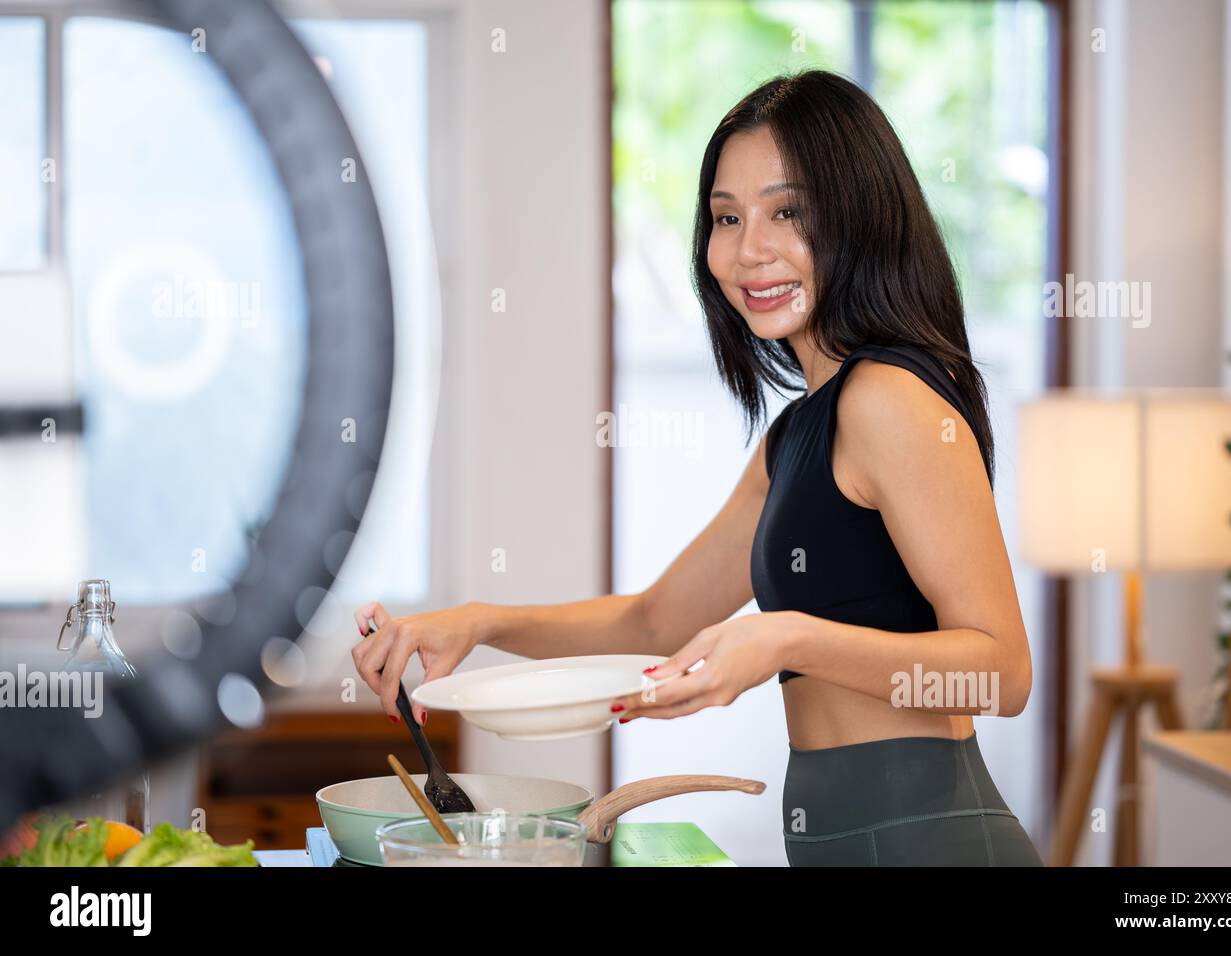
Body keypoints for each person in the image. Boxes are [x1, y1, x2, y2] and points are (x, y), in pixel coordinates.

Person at [351, 69, 1043, 866]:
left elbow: (1003, 674)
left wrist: (786, 639)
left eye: (789, 211)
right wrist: (481, 622)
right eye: (726, 217)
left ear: (859, 215)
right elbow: (656, 623)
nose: (749, 249)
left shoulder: (887, 399)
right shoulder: (796, 434)